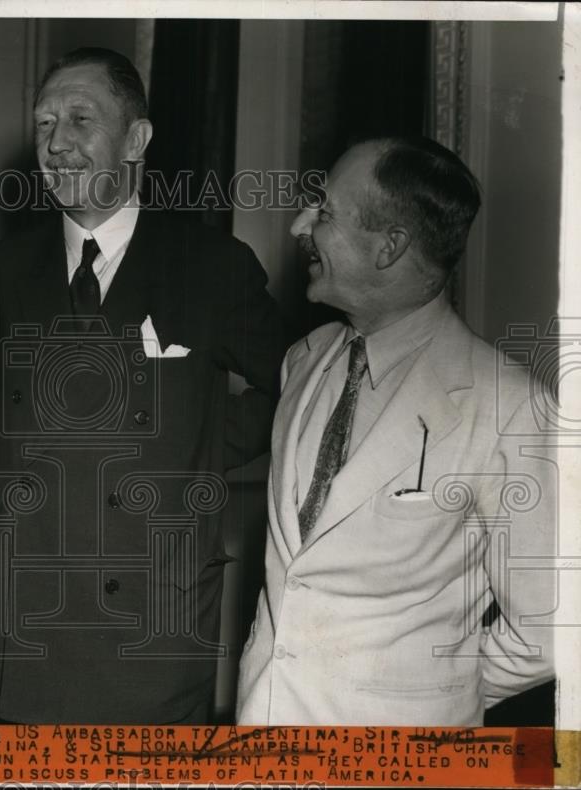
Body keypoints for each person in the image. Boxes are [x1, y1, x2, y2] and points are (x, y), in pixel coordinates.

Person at [0, 47, 284, 724]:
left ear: (136, 138)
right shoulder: (5, 269)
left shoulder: (214, 266)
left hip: (153, 630)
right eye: (45, 123)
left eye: (80, 119)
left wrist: (194, 450)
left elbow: (291, 388)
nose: (56, 143)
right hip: (25, 632)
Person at [236, 137, 557, 725]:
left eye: (324, 212)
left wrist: (431, 687)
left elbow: (549, 629)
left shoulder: (511, 408)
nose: (298, 226)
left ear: (390, 247)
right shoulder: (303, 359)